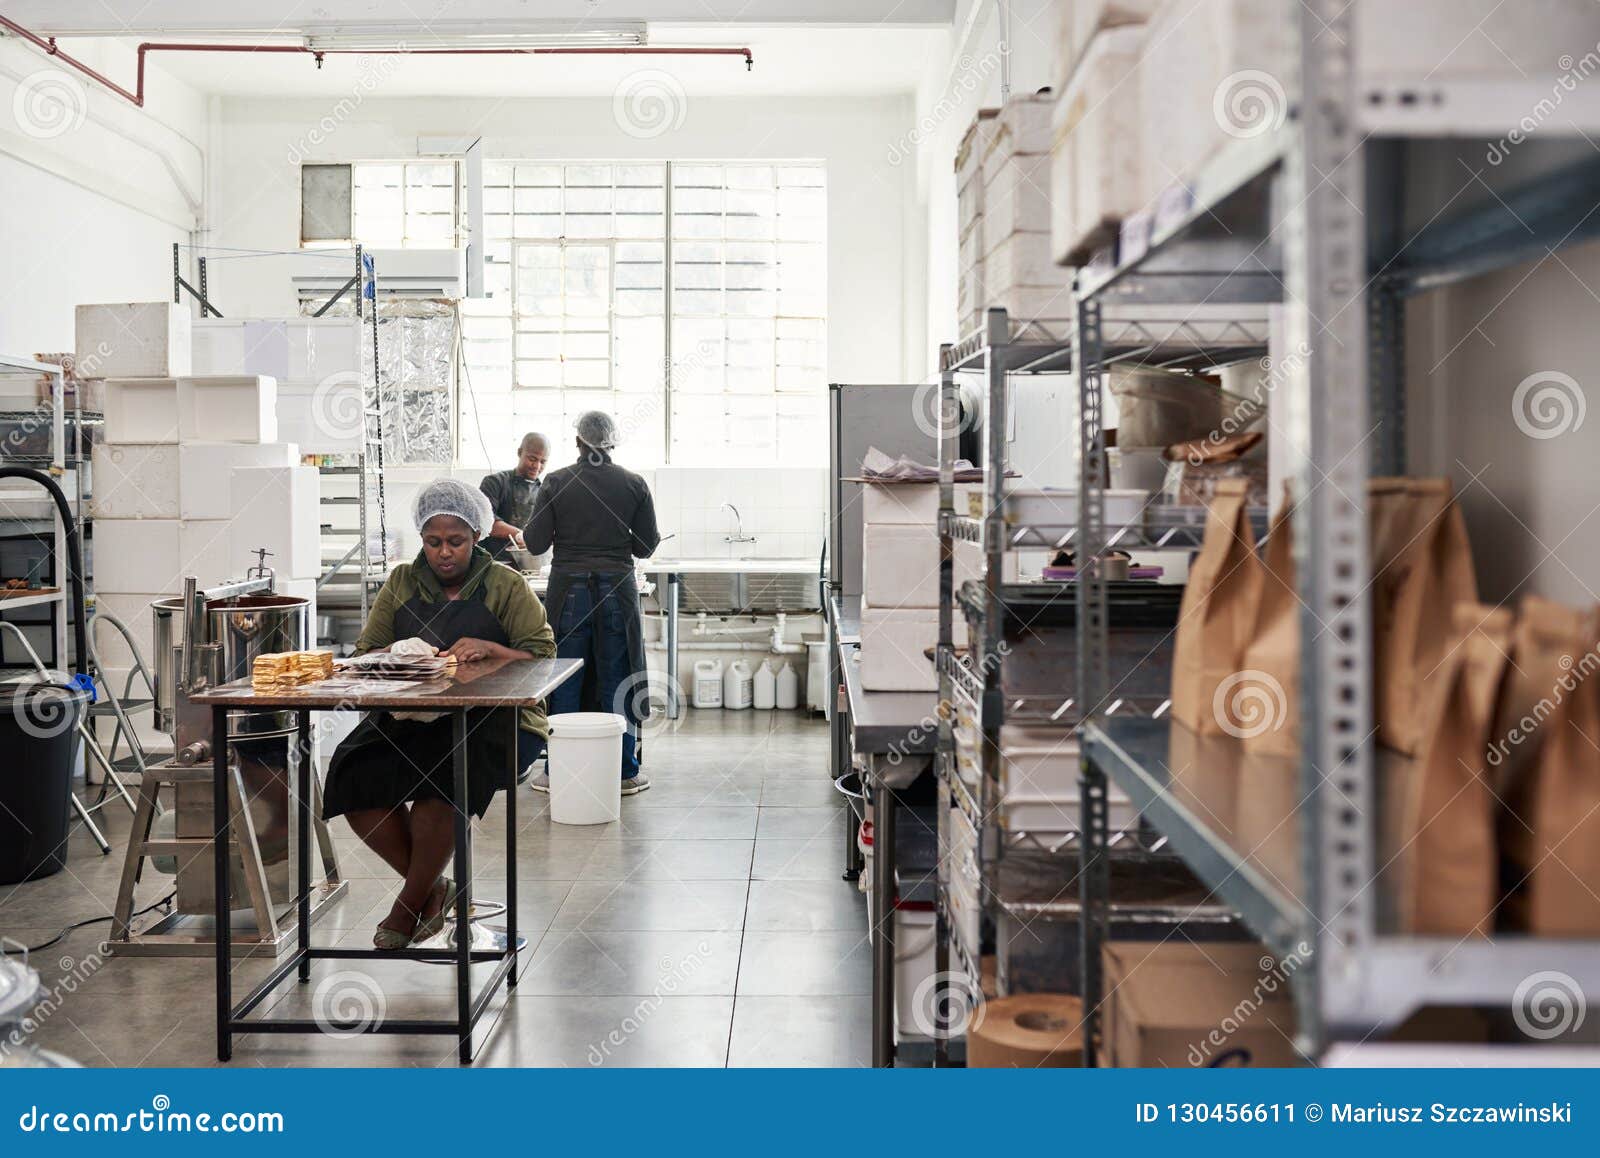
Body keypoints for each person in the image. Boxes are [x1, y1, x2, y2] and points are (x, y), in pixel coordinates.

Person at [322, 478, 556, 949]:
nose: (444, 553)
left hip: (494, 721)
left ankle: (407, 906)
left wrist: (490, 649)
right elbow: (367, 651)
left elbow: (543, 654)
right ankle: (433, 889)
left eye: (456, 542)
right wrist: (403, 652)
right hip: (409, 716)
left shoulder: (504, 584)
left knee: (441, 782)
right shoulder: (403, 582)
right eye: (433, 542)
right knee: (352, 774)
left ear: (476, 536)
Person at [524, 410, 659, 794]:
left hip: (569, 591)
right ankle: (625, 771)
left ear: (578, 442)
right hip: (617, 587)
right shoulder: (634, 484)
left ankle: (559, 770)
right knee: (618, 677)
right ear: (611, 443)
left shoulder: (556, 482)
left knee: (565, 676)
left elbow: (535, 544)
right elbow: (646, 545)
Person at [478, 432, 548, 562]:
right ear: (520, 452)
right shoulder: (495, 482)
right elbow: (486, 522)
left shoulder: (545, 491)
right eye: (532, 459)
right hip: (494, 562)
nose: (537, 466)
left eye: (542, 462)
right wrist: (519, 535)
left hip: (530, 564)